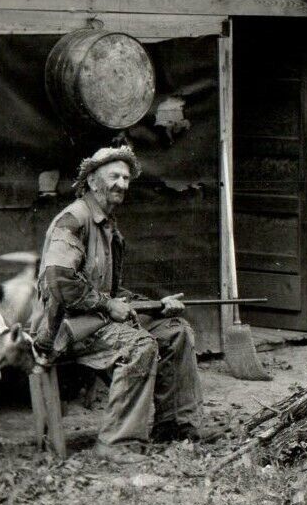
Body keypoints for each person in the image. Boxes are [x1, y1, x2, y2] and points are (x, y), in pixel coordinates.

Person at [28, 145, 206, 462]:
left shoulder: (108, 226)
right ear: (92, 181)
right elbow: (59, 280)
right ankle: (116, 443)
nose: (122, 184)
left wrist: (157, 305)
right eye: (114, 176)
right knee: (140, 345)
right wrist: (108, 306)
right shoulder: (74, 220)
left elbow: (110, 290)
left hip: (96, 321)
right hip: (63, 329)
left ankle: (175, 428)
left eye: (126, 178)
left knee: (176, 332)